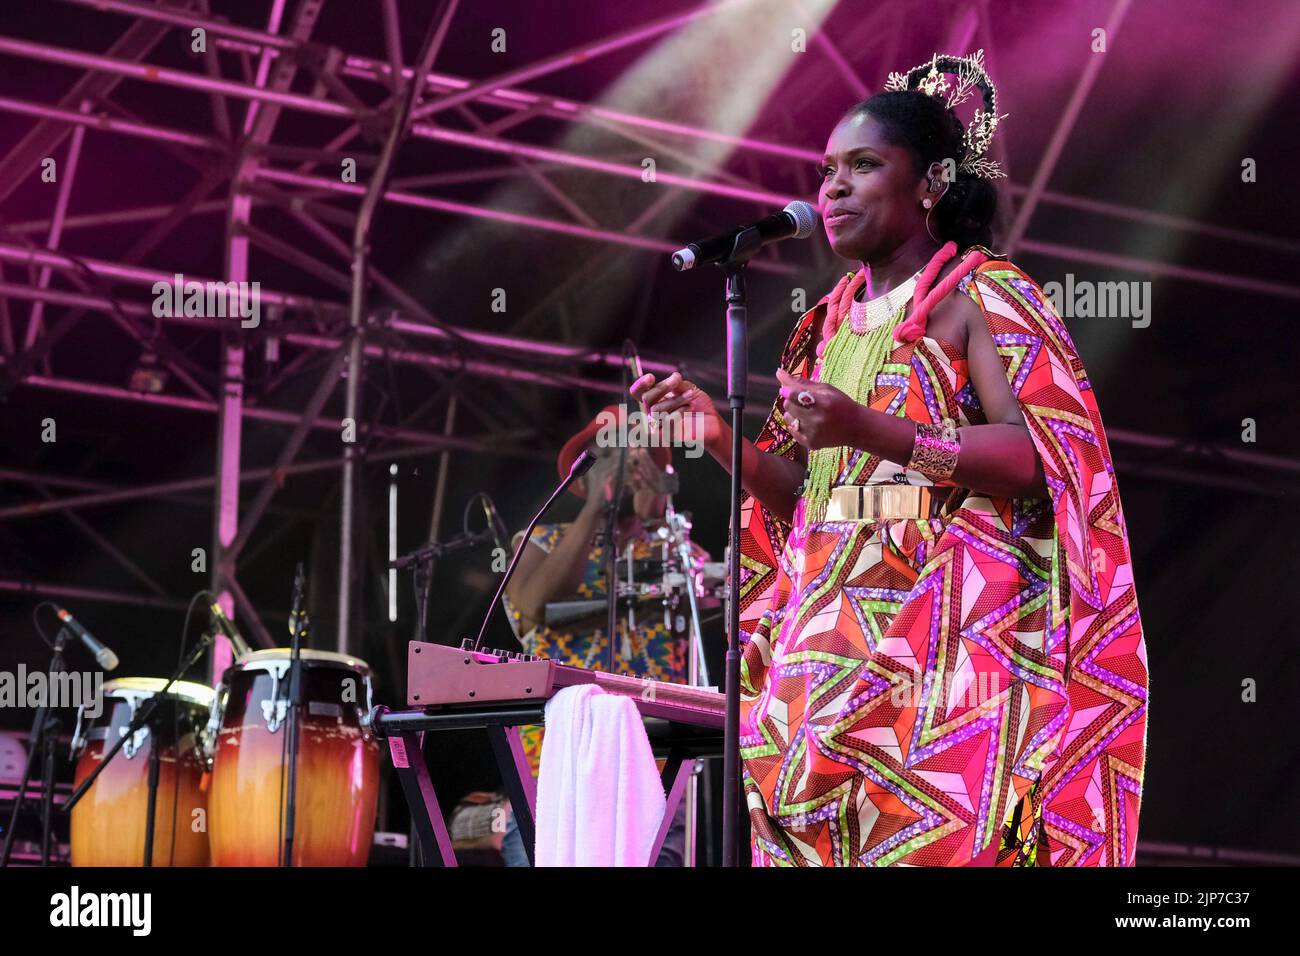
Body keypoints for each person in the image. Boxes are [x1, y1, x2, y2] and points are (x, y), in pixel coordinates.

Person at [632, 52, 1148, 867]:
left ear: (933, 184)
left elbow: (1036, 456)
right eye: (828, 169)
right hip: (823, 623)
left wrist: (874, 431)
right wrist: (720, 437)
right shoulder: (825, 328)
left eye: (864, 166)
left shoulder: (984, 295)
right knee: (799, 825)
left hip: (937, 617)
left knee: (927, 837)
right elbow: (802, 493)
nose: (832, 188)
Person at [497, 405, 708, 866]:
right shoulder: (538, 540)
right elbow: (532, 606)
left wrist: (656, 515)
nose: (628, 464)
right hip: (551, 763)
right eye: (610, 454)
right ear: (582, 475)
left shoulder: (673, 547)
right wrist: (597, 504)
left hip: (653, 765)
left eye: (640, 457)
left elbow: (709, 592)